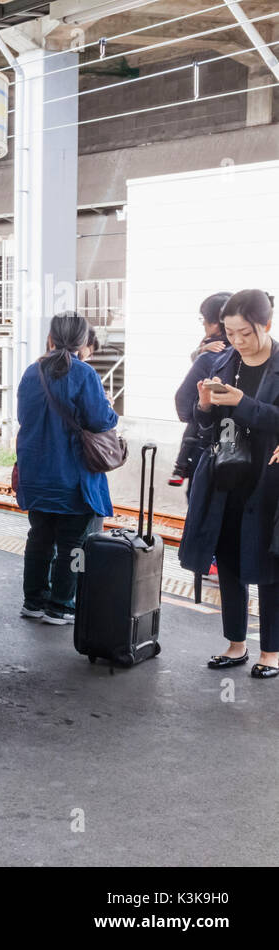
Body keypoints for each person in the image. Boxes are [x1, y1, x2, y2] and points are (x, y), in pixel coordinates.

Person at [178, 290, 279, 679]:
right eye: (231, 332)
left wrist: (243, 403)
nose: (237, 341)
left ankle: (270, 651)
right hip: (224, 478)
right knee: (231, 563)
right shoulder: (217, 360)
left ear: (266, 325)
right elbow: (198, 423)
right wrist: (205, 406)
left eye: (245, 334)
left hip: (268, 484)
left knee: (270, 568)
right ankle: (236, 644)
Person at [14, 312, 119, 625]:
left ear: (51, 338)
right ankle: (61, 605)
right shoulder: (84, 374)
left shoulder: (32, 372)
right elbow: (101, 421)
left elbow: (23, 417)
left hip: (36, 473)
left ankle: (33, 601)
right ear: (84, 342)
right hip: (72, 476)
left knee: (39, 538)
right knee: (73, 544)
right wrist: (109, 406)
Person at [169, 292, 232, 487]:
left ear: (215, 323)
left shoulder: (214, 352)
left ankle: (180, 466)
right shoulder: (212, 348)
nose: (203, 324)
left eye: (204, 319)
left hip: (205, 443)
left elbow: (183, 402)